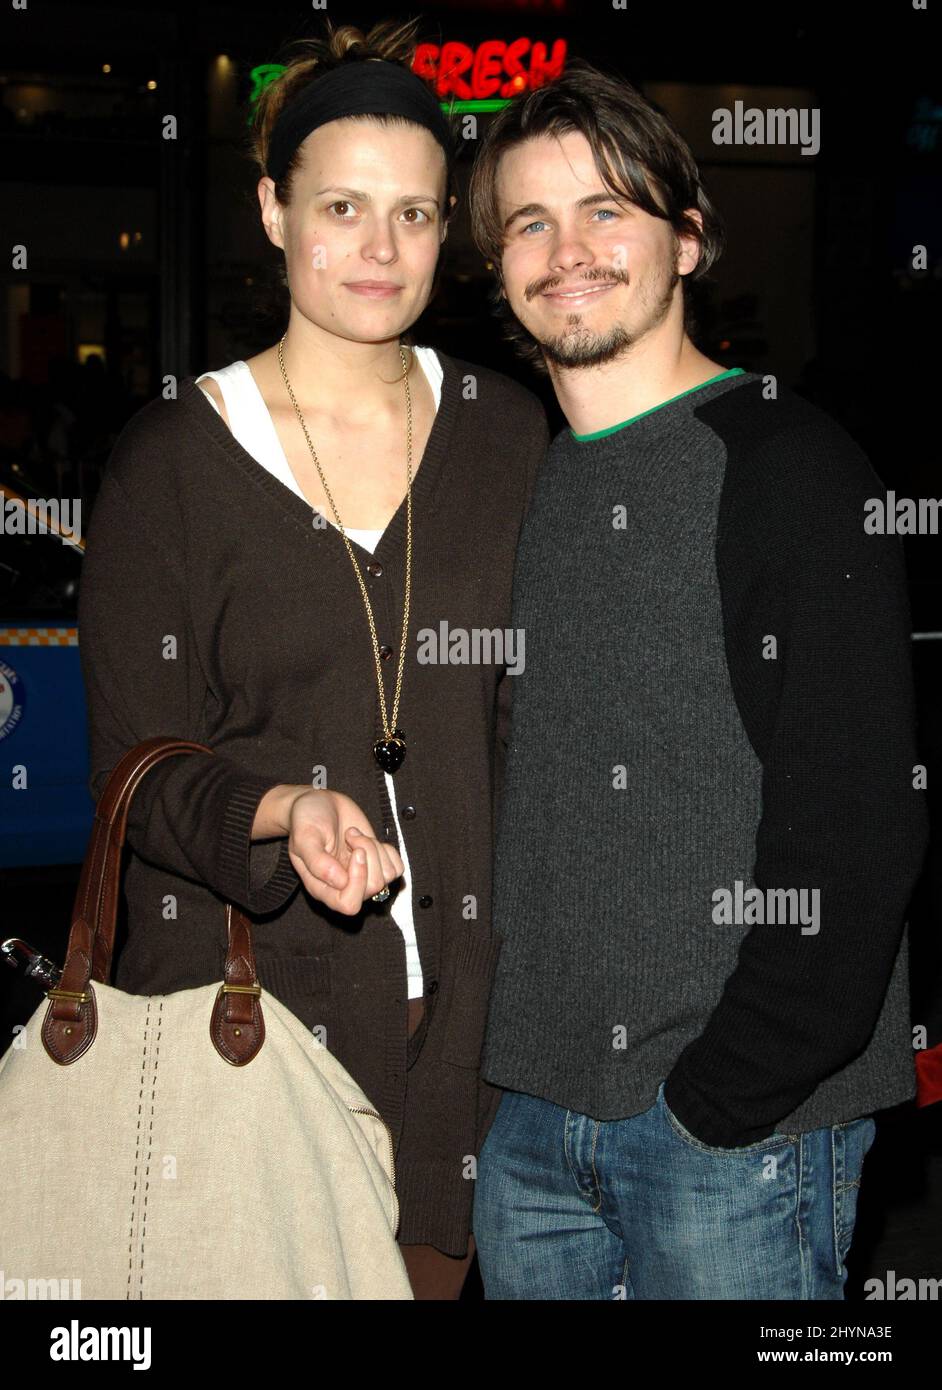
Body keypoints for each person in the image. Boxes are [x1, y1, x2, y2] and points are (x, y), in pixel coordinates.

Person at [77, 19, 548, 1301]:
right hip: (248, 1030)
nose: (381, 249)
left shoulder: (509, 437)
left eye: (414, 214)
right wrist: (277, 808)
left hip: (464, 1048)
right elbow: (130, 763)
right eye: (342, 205)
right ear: (274, 211)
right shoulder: (172, 458)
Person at [467, 60, 929, 1299]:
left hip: (732, 1137)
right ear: (499, 265)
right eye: (530, 220)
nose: (567, 248)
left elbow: (859, 829)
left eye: (606, 209)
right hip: (527, 1126)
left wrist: (717, 1103)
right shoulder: (526, 487)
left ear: (687, 236)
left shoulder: (791, 468)